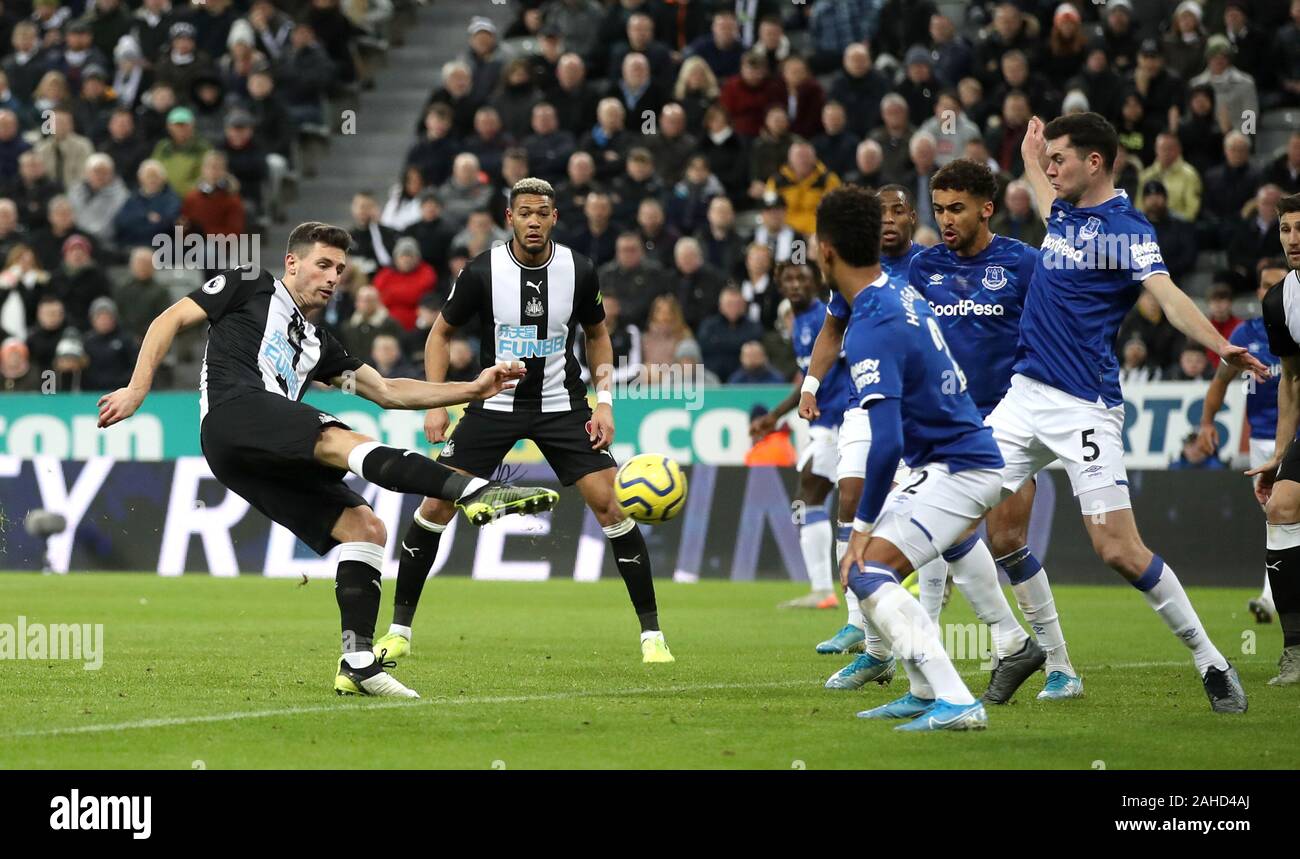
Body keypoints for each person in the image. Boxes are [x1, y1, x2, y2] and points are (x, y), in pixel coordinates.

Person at [96, 221, 560, 699]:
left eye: (339, 269)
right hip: (234, 414)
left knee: (366, 527)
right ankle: (475, 491)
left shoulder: (319, 345)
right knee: (336, 438)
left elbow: (386, 391)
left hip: (253, 454)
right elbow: (167, 319)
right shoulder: (249, 285)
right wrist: (137, 389)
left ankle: (356, 662)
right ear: (292, 263)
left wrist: (473, 388)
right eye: (323, 264)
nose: (333, 276)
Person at [1010, 111, 1261, 711]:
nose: (1050, 170)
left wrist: (1219, 342)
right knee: (952, 501)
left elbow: (1170, 298)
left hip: (1085, 408)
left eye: (1060, 159)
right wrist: (1031, 150)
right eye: (1049, 162)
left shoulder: (1127, 230)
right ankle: (948, 666)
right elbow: (1041, 184)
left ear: (1094, 162)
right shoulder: (1062, 211)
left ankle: (1211, 659)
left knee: (1118, 550)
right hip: (1022, 397)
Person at [375, 178, 675, 666]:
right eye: (524, 213)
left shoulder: (579, 270)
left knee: (611, 506)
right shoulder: (481, 272)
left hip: (563, 405)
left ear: (554, 218)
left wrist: (605, 403)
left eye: (542, 213)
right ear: (509, 217)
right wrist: (435, 403)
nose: (533, 221)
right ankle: (399, 631)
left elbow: (598, 336)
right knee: (435, 506)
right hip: (494, 404)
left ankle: (653, 636)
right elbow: (439, 334)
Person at [819, 184, 994, 731]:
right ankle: (922, 692)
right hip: (951, 459)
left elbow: (887, 442)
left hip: (959, 466)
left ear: (826, 250)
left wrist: (863, 529)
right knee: (876, 574)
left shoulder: (871, 324)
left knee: (866, 569)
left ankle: (957, 700)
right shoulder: (897, 291)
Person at [749, 262, 849, 611]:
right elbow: (809, 380)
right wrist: (774, 416)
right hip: (825, 423)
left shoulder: (827, 318)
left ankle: (825, 590)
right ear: (778, 284)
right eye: (788, 279)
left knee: (810, 494)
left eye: (802, 278)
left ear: (816, 282)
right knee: (813, 496)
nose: (795, 285)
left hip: (839, 420)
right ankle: (826, 589)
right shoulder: (800, 325)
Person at [1198, 260, 1287, 625]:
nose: (1271, 292)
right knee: (1278, 520)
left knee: (1283, 519)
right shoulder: (1246, 336)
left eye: (1279, 285)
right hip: (1263, 444)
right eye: (1265, 286)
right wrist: (1206, 422)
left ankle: (1271, 598)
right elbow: (1220, 381)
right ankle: (1274, 597)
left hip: (1296, 441)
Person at [1248, 194, 1300, 685]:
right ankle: (1296, 650)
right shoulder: (1279, 299)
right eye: (1285, 229)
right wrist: (1280, 456)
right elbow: (1292, 379)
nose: (1293, 239)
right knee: (1281, 505)